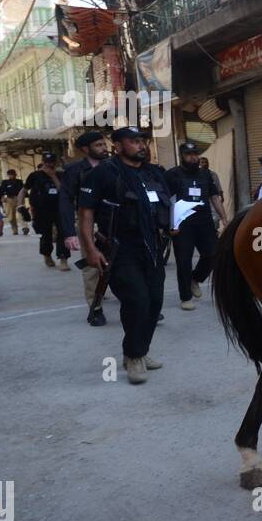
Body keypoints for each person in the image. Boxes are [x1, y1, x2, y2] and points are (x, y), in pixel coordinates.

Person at [77, 127, 171, 384]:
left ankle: (142, 349)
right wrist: (91, 250)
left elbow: (164, 204)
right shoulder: (102, 174)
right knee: (137, 301)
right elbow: (86, 215)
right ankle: (134, 356)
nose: (141, 146)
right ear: (117, 146)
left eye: (142, 141)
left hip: (152, 247)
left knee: (155, 302)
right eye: (134, 141)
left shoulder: (153, 173)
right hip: (120, 249)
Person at [59, 130, 111, 326]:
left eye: (104, 144)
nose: (104, 148)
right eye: (98, 145)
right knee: (92, 267)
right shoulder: (75, 171)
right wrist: (69, 233)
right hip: (89, 223)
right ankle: (95, 307)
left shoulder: (113, 166)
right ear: (85, 149)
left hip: (115, 221)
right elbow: (65, 200)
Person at [165, 141, 221, 312]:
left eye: (195, 154)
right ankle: (185, 297)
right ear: (182, 156)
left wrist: (224, 218)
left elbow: (214, 197)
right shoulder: (172, 174)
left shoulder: (206, 174)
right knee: (183, 261)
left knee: (212, 255)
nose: (193, 157)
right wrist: (170, 223)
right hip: (183, 223)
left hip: (204, 222)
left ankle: (195, 279)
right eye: (189, 155)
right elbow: (166, 200)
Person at [23, 153, 70, 269]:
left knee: (63, 233)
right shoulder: (35, 175)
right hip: (42, 210)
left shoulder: (61, 174)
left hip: (59, 208)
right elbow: (24, 190)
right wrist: (20, 205)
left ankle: (63, 259)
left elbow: (63, 191)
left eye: (52, 162)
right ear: (43, 162)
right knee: (46, 234)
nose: (50, 165)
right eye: (47, 162)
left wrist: (53, 176)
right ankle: (47, 254)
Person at [0, 169, 25, 235]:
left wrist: (23, 197)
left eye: (13, 174)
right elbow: (1, 191)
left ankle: (25, 227)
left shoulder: (19, 182)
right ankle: (14, 230)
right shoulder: (5, 182)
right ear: (8, 175)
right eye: (10, 174)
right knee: (10, 216)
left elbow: (23, 190)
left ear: (15, 175)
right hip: (9, 199)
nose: (12, 176)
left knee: (21, 213)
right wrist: (2, 197)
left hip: (19, 199)